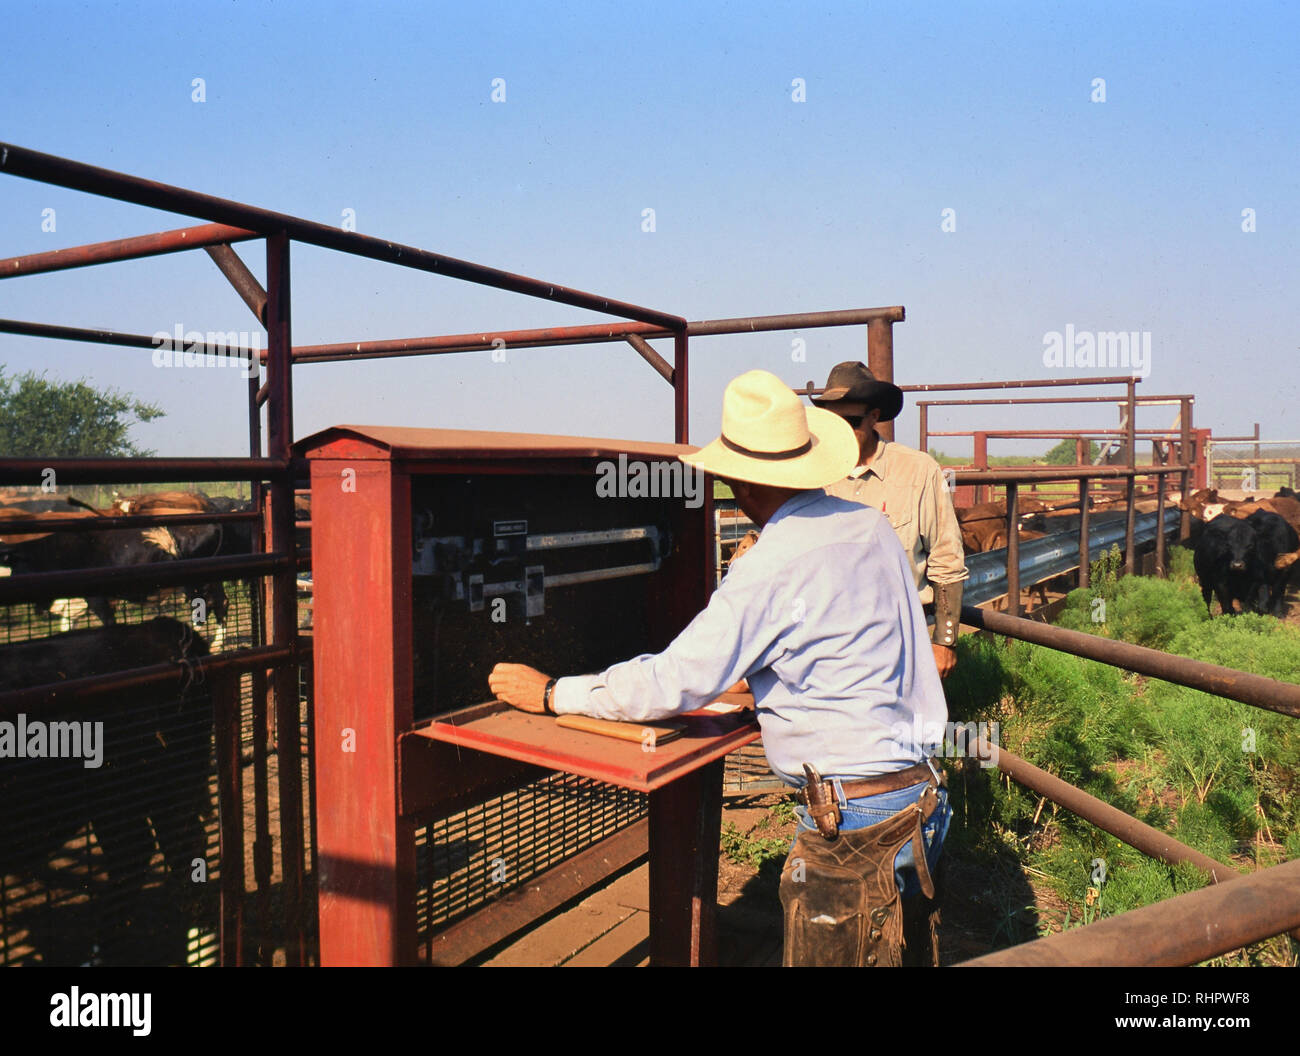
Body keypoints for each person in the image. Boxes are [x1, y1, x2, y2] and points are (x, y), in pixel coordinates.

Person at [489, 369, 951, 967]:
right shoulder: (871, 528)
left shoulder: (772, 561)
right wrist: (783, 688)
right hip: (922, 798)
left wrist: (553, 691)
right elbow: (875, 645)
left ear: (742, 483)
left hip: (854, 829)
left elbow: (670, 681)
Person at [811, 362, 969, 679]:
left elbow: (946, 558)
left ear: (874, 417)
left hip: (903, 638)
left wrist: (945, 640)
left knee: (906, 728)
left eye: (851, 421)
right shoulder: (812, 473)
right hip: (826, 643)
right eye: (832, 422)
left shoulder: (918, 471)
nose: (840, 432)